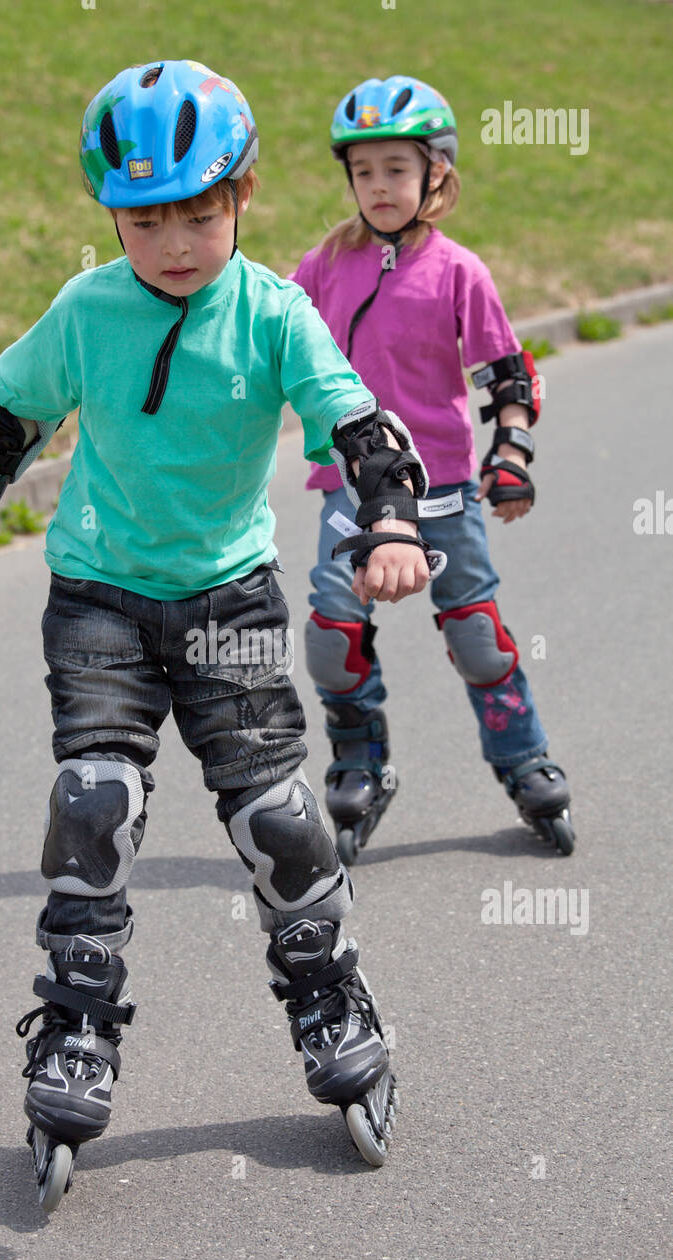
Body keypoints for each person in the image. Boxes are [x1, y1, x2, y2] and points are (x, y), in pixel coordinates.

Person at [0, 60, 439, 1206]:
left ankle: (328, 994)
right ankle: (77, 1022)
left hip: (229, 599)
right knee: (94, 797)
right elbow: (10, 412)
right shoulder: (88, 307)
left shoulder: (272, 311)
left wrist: (389, 517)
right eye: (145, 219)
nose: (176, 242)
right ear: (112, 215)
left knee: (277, 815)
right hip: (97, 595)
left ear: (241, 197)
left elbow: (357, 423)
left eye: (199, 212)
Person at [290, 75, 574, 864]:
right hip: (349, 493)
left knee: (477, 638)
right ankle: (359, 764)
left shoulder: (459, 271)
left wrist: (510, 454)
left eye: (396, 169)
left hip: (443, 492)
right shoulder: (323, 265)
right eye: (364, 171)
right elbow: (268, 340)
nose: (378, 187)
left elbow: (507, 375)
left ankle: (525, 762)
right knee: (331, 642)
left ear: (434, 175)